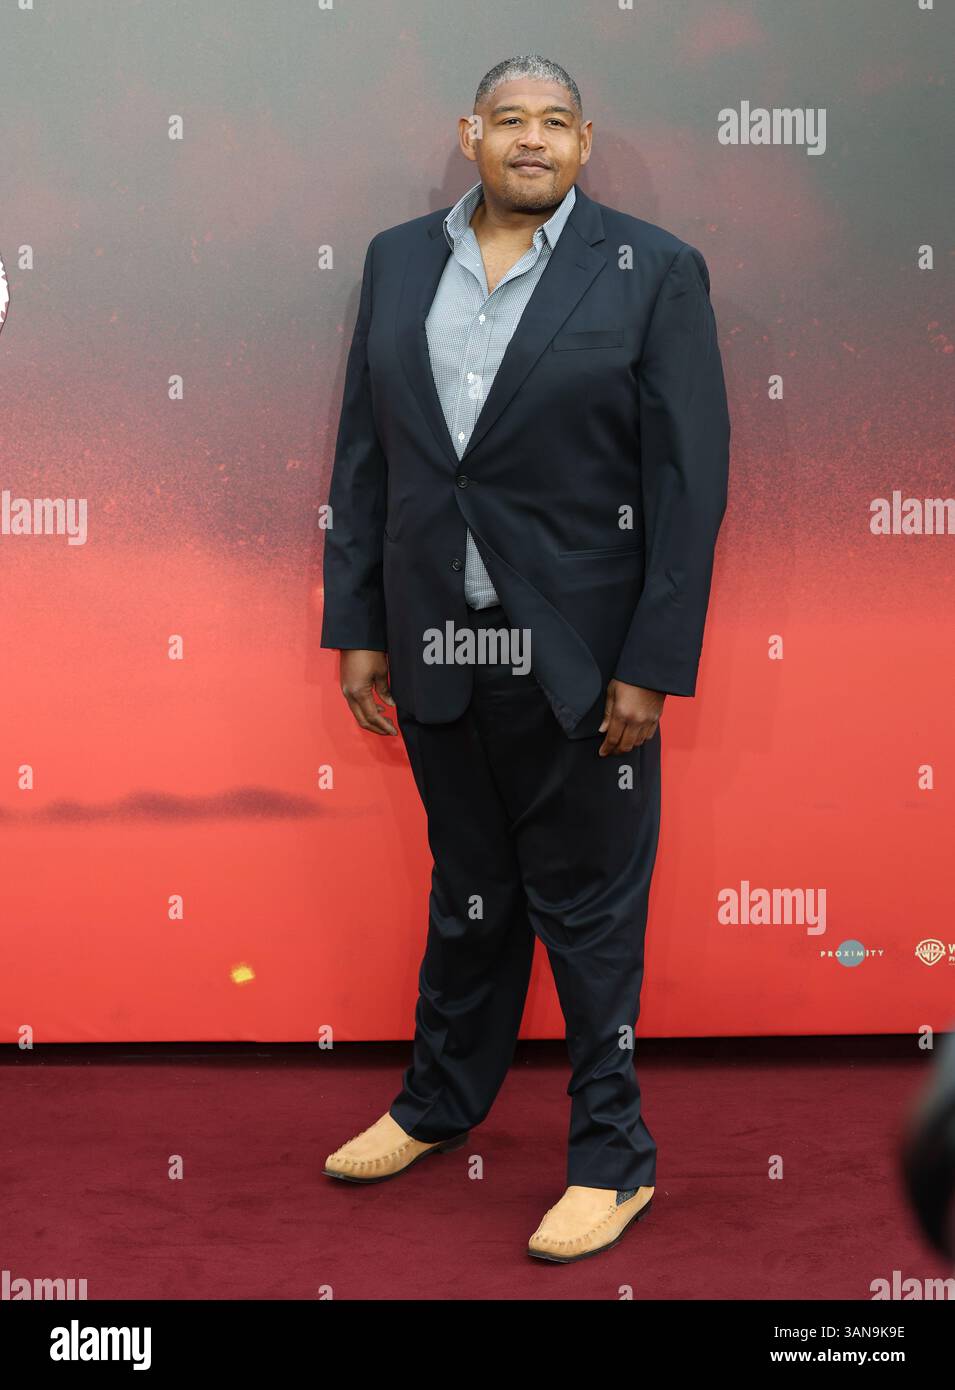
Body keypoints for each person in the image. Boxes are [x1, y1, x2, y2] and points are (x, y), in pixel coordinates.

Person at [320, 54, 730, 1263]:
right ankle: (437, 1104)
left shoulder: (651, 270)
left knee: (591, 921)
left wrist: (648, 662)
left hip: (581, 660)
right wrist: (358, 625)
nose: (533, 140)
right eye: (511, 121)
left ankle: (613, 1161)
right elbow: (366, 457)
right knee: (469, 898)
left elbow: (685, 486)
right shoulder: (400, 260)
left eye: (556, 123)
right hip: (438, 643)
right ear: (472, 134)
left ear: (586, 142)